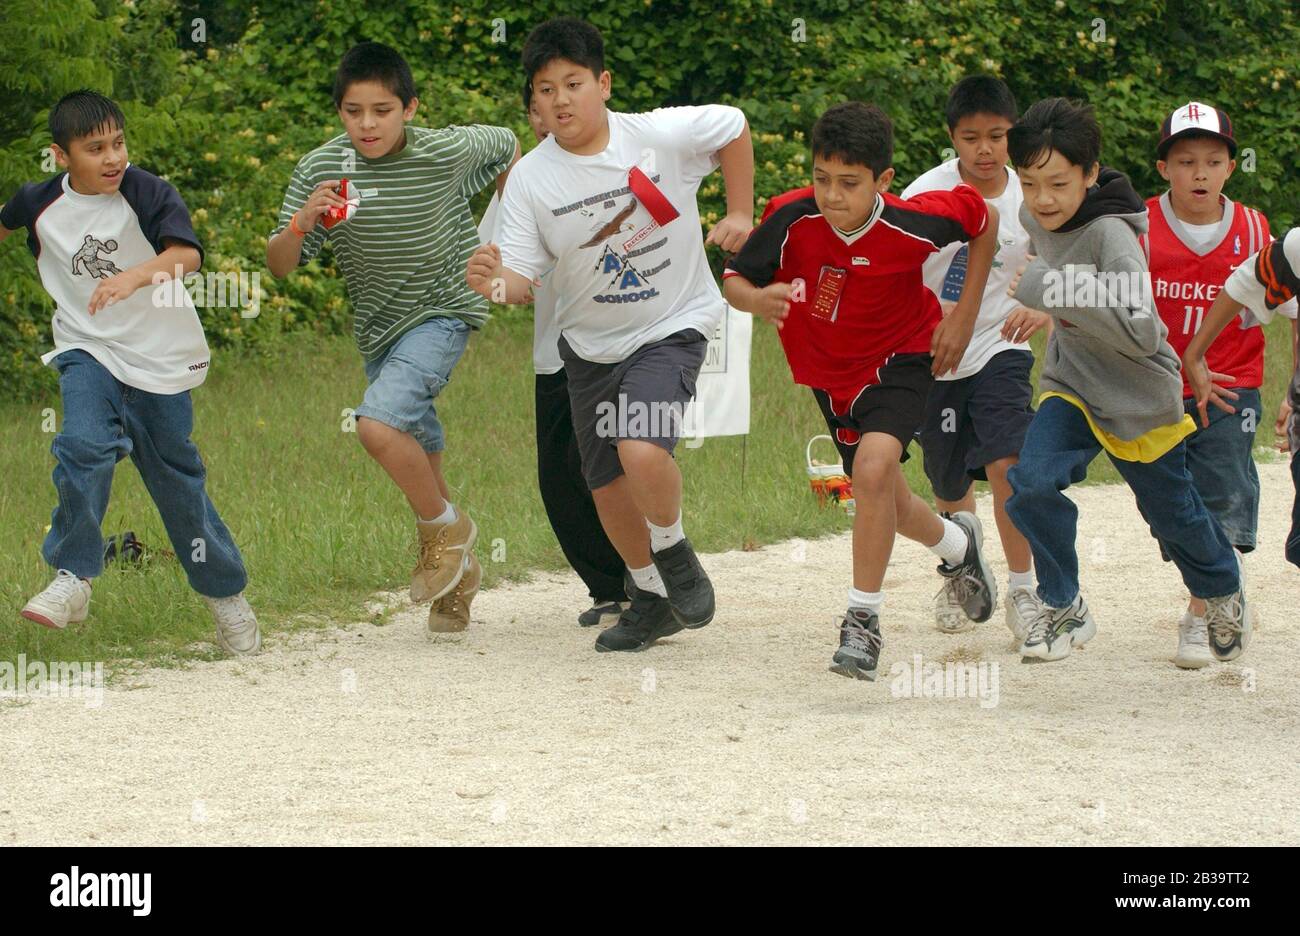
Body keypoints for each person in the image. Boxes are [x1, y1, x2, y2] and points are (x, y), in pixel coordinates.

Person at [467, 17, 754, 653]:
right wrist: (489, 281)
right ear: (534, 101)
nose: (559, 100)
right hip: (589, 348)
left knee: (640, 446)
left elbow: (733, 124)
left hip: (671, 324)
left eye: (573, 83)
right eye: (544, 89)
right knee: (604, 485)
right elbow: (519, 283)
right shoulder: (531, 181)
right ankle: (650, 596)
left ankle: (674, 549)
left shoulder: (654, 135)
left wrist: (739, 211)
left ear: (603, 83)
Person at [723, 101, 1001, 681]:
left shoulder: (915, 220)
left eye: (849, 184)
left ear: (882, 181)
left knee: (873, 471)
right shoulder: (790, 217)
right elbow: (735, 278)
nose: (831, 195)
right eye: (822, 178)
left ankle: (862, 622)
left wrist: (965, 315)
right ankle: (957, 546)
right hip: (829, 376)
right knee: (890, 501)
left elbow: (983, 224)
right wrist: (755, 300)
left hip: (902, 356)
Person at [266, 42, 519, 633]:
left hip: (444, 311)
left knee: (376, 426)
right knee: (417, 453)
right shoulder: (323, 172)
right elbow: (281, 264)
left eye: (381, 110)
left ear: (410, 108)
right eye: (353, 112)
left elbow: (508, 144)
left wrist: (515, 234)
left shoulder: (446, 149)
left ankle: (446, 533)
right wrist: (302, 222)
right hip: (381, 334)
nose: (367, 124)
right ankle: (458, 572)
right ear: (339, 113)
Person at [0, 90, 259, 654]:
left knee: (176, 481)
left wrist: (134, 277)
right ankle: (74, 577)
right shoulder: (36, 202)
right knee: (81, 446)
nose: (113, 157)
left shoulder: (147, 191)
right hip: (86, 347)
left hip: (159, 358)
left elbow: (186, 256)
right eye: (96, 148)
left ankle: (225, 597)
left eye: (118, 143)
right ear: (61, 155)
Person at [1004, 97, 1249, 663]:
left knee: (1171, 514)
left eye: (1059, 184)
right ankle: (1064, 604)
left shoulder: (1113, 236)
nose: (1043, 199)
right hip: (1071, 382)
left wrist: (1054, 290)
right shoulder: (1033, 216)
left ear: (1090, 176)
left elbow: (1142, 329)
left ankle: (1222, 586)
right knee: (1032, 482)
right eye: (1030, 182)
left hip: (1138, 394)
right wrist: (1051, 294)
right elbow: (1051, 280)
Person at [903, 75, 1048, 641]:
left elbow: (1066, 258)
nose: (984, 150)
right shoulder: (924, 195)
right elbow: (897, 271)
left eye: (997, 136)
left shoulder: (1032, 193)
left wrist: (1046, 308)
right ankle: (963, 567)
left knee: (1007, 462)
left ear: (1014, 135)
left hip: (1001, 341)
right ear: (952, 139)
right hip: (936, 352)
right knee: (946, 477)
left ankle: (1024, 589)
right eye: (971, 138)